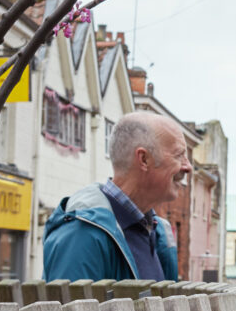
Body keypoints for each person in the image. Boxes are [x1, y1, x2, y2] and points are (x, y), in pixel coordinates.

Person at [42, 112, 189, 281]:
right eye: (179, 155)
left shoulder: (158, 232)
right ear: (144, 159)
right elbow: (71, 299)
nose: (188, 167)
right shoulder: (81, 235)